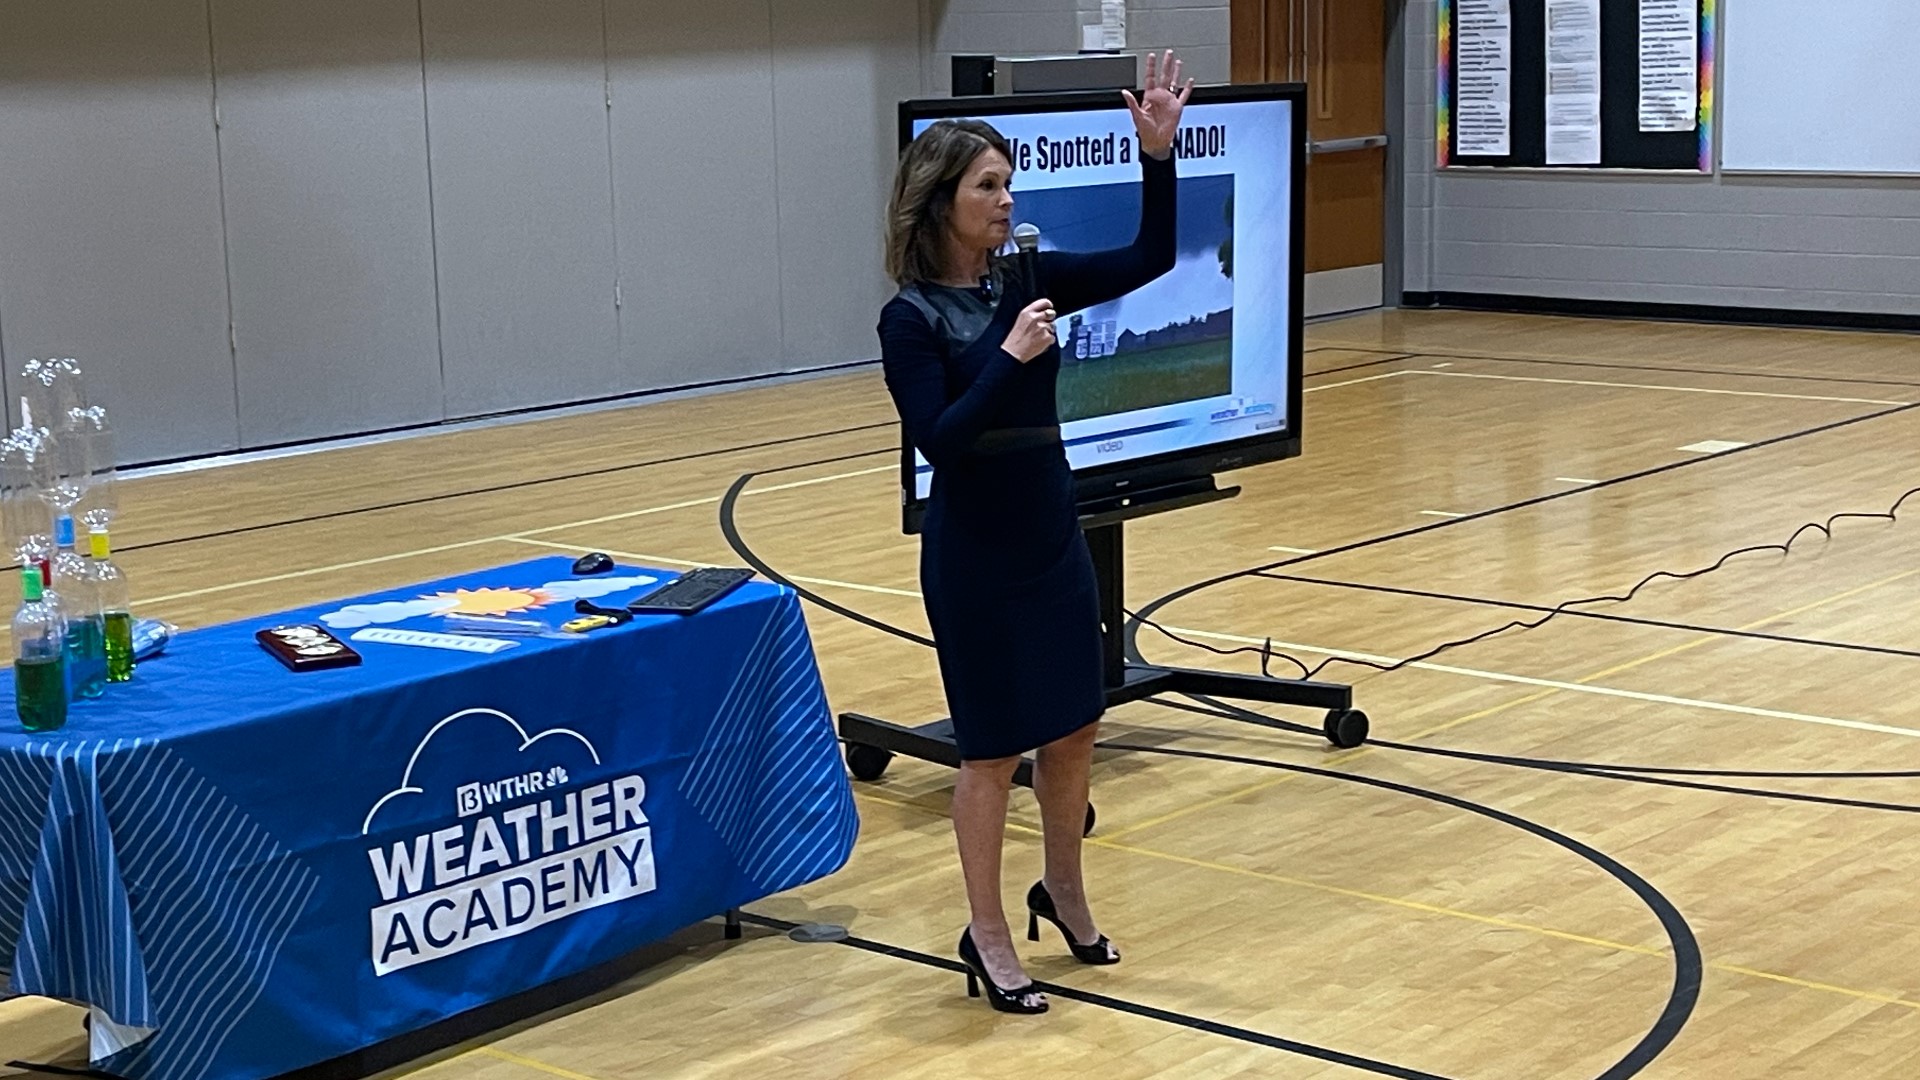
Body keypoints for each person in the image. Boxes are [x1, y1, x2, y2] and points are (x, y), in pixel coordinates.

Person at [877, 52, 1193, 1014]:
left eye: (1011, 184)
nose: (1007, 201)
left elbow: (1150, 260)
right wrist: (1011, 358)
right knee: (988, 752)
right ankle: (989, 934)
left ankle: (1064, 891)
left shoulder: (1028, 276)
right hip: (976, 555)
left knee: (1076, 728)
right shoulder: (909, 318)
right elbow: (943, 439)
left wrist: (1158, 159)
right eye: (988, 186)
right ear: (940, 203)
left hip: (1051, 534)